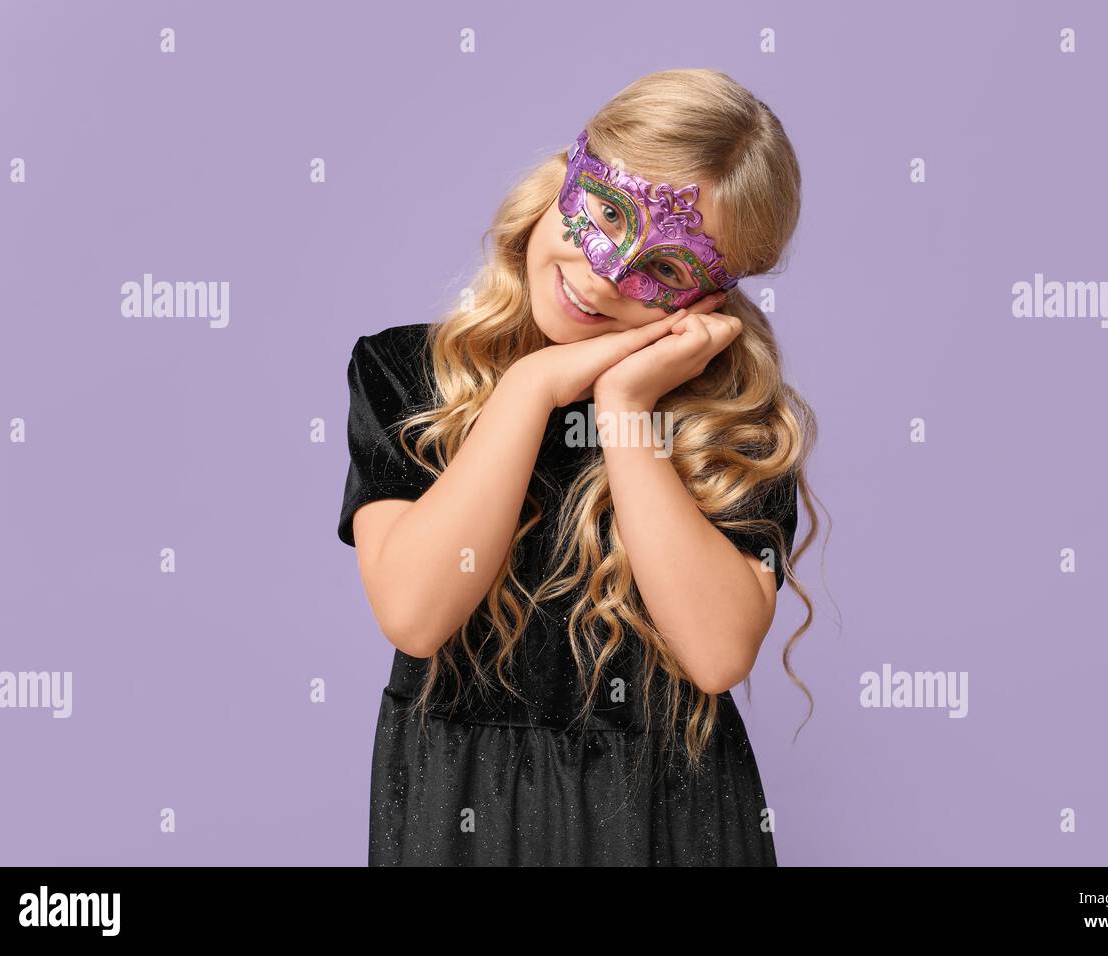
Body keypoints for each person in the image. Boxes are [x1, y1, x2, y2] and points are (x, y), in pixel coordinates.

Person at [337, 68, 818, 866]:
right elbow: (417, 616)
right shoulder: (405, 375)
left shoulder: (735, 425)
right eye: (606, 212)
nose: (604, 273)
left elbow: (717, 652)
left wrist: (626, 409)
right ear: (567, 176)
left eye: (664, 269)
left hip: (667, 820)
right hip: (457, 811)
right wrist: (530, 387)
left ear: (712, 300)